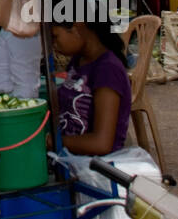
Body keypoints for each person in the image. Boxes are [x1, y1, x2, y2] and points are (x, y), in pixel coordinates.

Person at [52, 15, 131, 155]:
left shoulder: (107, 70)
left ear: (78, 26)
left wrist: (53, 142)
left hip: (96, 164)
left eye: (55, 36)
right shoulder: (78, 61)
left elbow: (101, 144)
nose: (53, 44)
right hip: (71, 156)